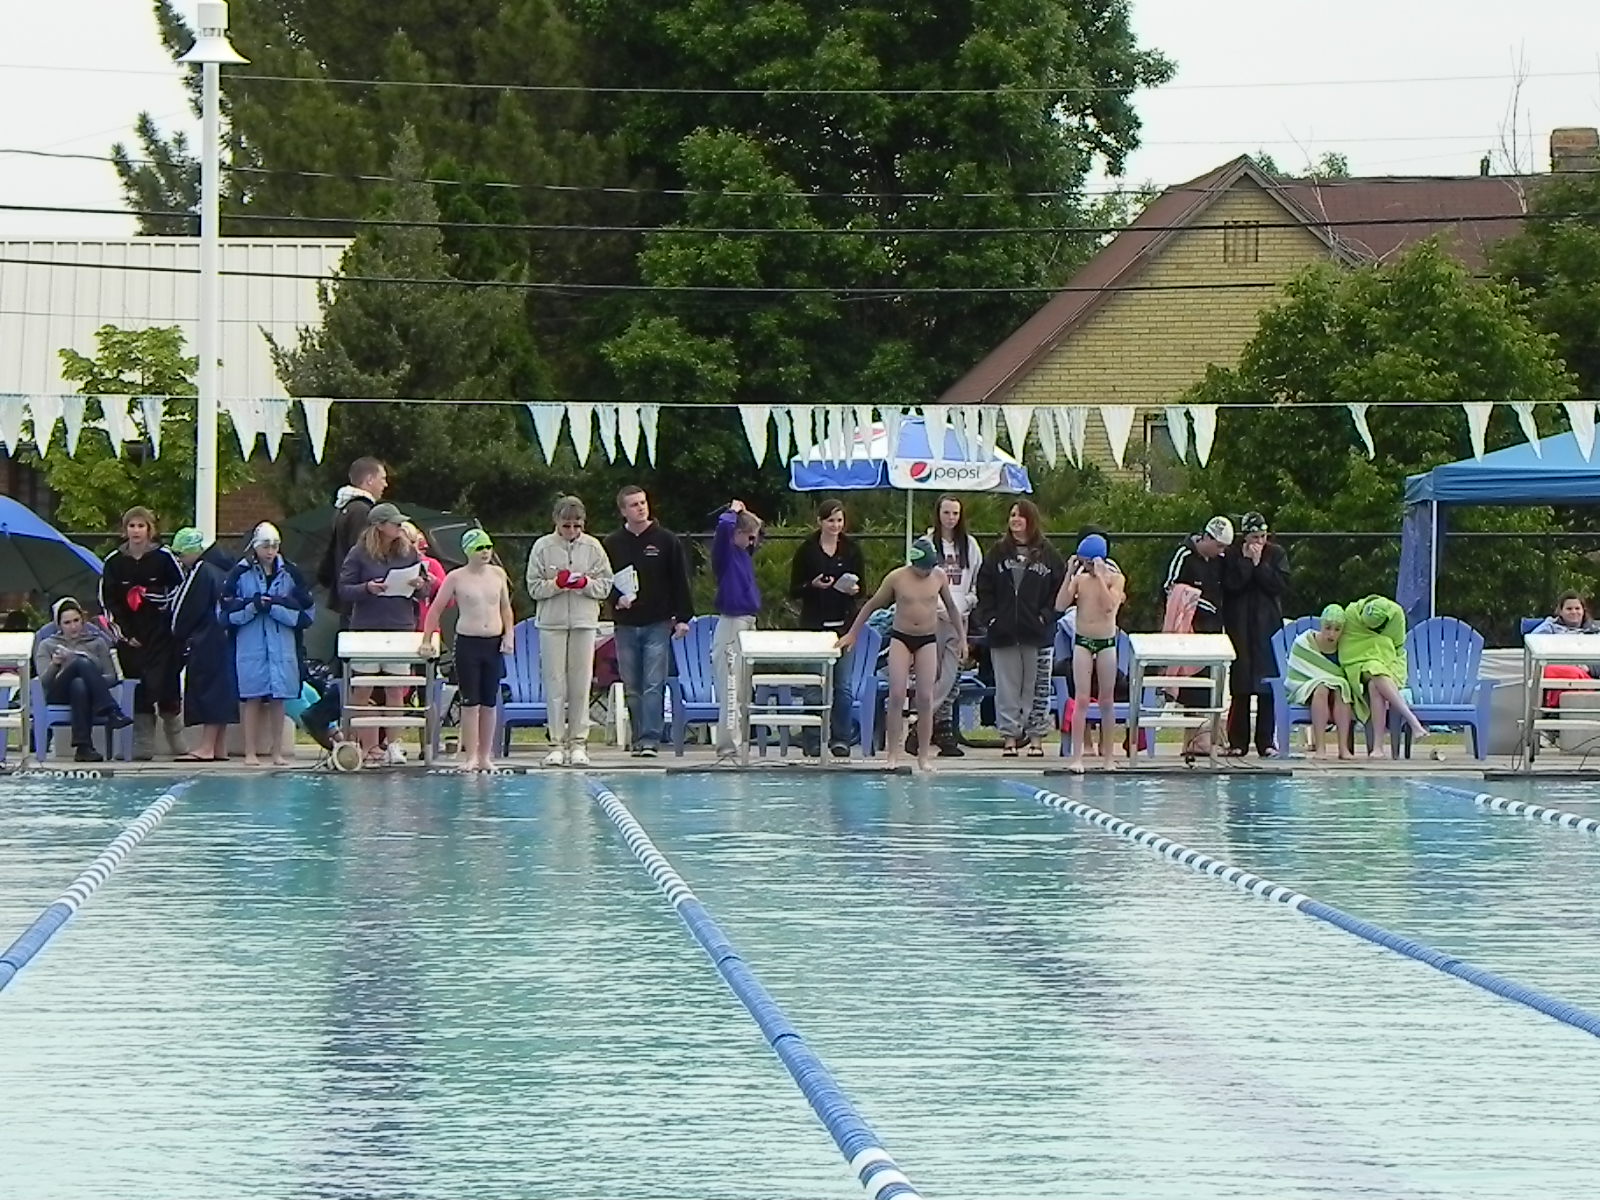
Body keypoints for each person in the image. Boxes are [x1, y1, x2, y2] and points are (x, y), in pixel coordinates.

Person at [838, 539, 964, 773]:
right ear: (913, 562)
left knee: (926, 698)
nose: (926, 572)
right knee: (897, 695)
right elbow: (871, 606)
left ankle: (924, 757)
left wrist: (963, 639)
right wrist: (853, 634)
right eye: (922, 568)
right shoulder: (896, 578)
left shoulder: (938, 577)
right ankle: (893, 754)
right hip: (901, 638)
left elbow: (953, 610)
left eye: (929, 567)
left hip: (927, 639)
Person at [338, 501, 435, 766]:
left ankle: (393, 743)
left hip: (399, 625)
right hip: (368, 626)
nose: (399, 527)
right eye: (394, 523)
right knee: (364, 687)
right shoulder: (359, 554)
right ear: (379, 526)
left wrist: (420, 585)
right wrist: (367, 588)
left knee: (396, 687)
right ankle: (363, 744)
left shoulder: (408, 552)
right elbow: (343, 589)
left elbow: (426, 589)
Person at [604, 486, 695, 758]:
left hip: (658, 621)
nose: (641, 508)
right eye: (634, 505)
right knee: (632, 685)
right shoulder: (612, 543)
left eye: (643, 502)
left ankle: (650, 739)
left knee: (654, 682)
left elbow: (680, 579)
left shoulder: (666, 540)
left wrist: (683, 617)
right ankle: (637, 735)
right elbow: (603, 579)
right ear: (623, 511)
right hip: (626, 622)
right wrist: (615, 599)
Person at [526, 496, 614, 767]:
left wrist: (585, 583)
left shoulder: (593, 547)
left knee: (580, 683)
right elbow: (533, 587)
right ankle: (555, 742)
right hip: (551, 623)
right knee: (555, 683)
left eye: (577, 526)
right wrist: (557, 584)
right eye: (567, 526)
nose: (572, 531)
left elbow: (606, 584)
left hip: (584, 621)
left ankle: (578, 742)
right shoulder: (542, 546)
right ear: (556, 522)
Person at [974, 500, 1066, 757]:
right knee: (1007, 687)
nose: (1015, 519)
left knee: (1036, 688)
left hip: (1037, 634)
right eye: (1012, 514)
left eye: (1020, 515)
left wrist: (1045, 617)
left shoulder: (1047, 553)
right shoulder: (998, 552)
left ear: (1031, 520)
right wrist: (990, 618)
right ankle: (1010, 737)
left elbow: (1059, 590)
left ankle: (1035, 737)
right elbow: (984, 587)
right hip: (1003, 632)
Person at [223, 523, 316, 767]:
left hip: (282, 645)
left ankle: (277, 752)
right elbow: (225, 614)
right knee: (251, 698)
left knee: (279, 699)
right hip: (250, 645)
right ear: (255, 547)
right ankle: (250, 752)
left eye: (275, 546)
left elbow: (306, 614)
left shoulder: (291, 573)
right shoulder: (239, 573)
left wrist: (274, 609)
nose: (270, 551)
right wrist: (253, 608)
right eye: (266, 546)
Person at [100, 506, 186, 760]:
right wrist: (125, 634)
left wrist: (154, 597)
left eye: (141, 526)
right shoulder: (114, 562)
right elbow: (108, 602)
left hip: (162, 634)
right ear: (124, 530)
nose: (136, 531)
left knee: (168, 685)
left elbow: (180, 591)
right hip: (132, 638)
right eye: (131, 526)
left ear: (150, 530)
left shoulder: (164, 558)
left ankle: (175, 736)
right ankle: (143, 742)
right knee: (139, 688)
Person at [424, 529, 514, 772]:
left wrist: (509, 636)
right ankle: (470, 756)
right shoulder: (456, 578)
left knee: (489, 701)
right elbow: (435, 609)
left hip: (493, 643)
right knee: (470, 702)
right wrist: (426, 639)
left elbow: (506, 609)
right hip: (468, 644)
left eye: (488, 546)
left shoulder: (498, 575)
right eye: (479, 548)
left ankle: (485, 756)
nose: (485, 552)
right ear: (468, 551)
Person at [789, 499, 865, 757]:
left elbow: (863, 588)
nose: (835, 526)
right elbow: (793, 589)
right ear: (820, 521)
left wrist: (853, 589)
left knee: (843, 686)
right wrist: (812, 585)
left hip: (842, 625)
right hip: (814, 625)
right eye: (831, 520)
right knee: (813, 685)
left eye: (839, 521)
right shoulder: (807, 550)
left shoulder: (852, 550)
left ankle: (840, 738)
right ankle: (811, 738)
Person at [1161, 515, 1233, 755]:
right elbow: (1170, 588)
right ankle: (1191, 741)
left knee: (1207, 686)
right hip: (1190, 632)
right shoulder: (1184, 556)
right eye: (1219, 546)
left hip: (1211, 632)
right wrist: (1199, 603)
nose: (1221, 552)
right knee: (1191, 689)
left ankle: (1197, 741)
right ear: (1207, 538)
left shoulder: (1217, 562)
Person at [1222, 512, 1291, 757]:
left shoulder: (1276, 554)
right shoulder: (1231, 554)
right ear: (1244, 536)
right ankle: (1238, 742)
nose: (1259, 542)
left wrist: (1259, 565)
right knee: (1240, 684)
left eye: (1263, 536)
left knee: (1266, 685)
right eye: (1254, 537)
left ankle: (1266, 742)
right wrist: (1245, 563)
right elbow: (1230, 586)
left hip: (1267, 626)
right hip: (1239, 625)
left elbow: (1279, 586)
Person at [1056, 533, 1126, 771]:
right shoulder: (1079, 580)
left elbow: (1109, 607)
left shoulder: (1116, 580)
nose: (1085, 567)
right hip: (1083, 642)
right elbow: (1060, 605)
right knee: (1081, 700)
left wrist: (1101, 578)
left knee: (1107, 701)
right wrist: (1069, 574)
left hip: (1106, 643)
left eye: (1088, 562)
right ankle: (1076, 757)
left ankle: (1108, 757)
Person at [169, 527, 239, 762]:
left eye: (180, 554)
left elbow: (184, 609)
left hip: (207, 639)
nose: (179, 560)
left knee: (208, 689)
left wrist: (177, 632)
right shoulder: (224, 569)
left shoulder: (202, 570)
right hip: (224, 637)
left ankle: (206, 747)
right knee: (220, 689)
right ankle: (219, 746)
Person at [32, 598, 132, 762]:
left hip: (91, 695)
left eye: (76, 621)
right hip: (58, 692)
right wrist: (55, 664)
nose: (73, 626)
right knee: (79, 662)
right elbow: (44, 682)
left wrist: (90, 670)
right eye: (67, 623)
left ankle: (84, 748)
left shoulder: (97, 642)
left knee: (80, 685)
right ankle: (111, 710)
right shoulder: (48, 645)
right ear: (59, 625)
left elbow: (111, 677)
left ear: (83, 620)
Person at [927, 495, 983, 756]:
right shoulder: (927, 543)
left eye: (955, 513)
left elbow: (976, 583)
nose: (951, 518)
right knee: (932, 675)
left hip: (960, 618)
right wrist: (939, 608)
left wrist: (968, 603)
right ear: (938, 514)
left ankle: (922, 721)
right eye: (946, 512)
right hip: (932, 617)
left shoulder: (970, 546)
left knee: (950, 676)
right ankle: (935, 726)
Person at [709, 500, 764, 764]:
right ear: (737, 534)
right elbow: (722, 528)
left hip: (746, 621)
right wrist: (734, 511)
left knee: (743, 688)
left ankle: (738, 742)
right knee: (731, 686)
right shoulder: (726, 554)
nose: (753, 542)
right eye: (749, 536)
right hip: (732, 622)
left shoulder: (743, 554)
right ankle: (728, 746)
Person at [1340, 594, 1427, 757]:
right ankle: (1412, 719)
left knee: (1375, 685)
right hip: (1357, 662)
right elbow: (1349, 645)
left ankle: (1377, 747)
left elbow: (1397, 648)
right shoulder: (1351, 613)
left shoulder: (1396, 615)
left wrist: (1382, 658)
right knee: (1374, 668)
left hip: (1389, 663)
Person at [318, 457, 388, 619]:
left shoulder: (345, 508)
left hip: (347, 594)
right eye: (382, 479)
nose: (385, 485)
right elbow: (364, 553)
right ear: (369, 480)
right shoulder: (362, 511)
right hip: (359, 599)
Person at [1286, 604, 1355, 760]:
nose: (1331, 633)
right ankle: (1320, 748)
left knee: (1341, 688)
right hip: (1306, 686)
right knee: (1321, 687)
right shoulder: (1304, 642)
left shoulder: (1345, 647)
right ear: (1321, 625)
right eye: (1328, 627)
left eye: (1337, 629)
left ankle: (1343, 749)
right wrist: (1323, 679)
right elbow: (1296, 672)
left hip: (1337, 689)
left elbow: (1349, 672)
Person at [1528, 591, 1600, 716]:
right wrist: (1548, 623)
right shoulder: (1550, 627)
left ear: (1584, 610)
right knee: (1551, 671)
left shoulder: (1595, 632)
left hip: (1587, 677)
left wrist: (1588, 668)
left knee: (1572, 674)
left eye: (1577, 608)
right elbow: (1534, 644)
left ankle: (1555, 712)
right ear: (1560, 611)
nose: (1574, 612)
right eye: (1569, 609)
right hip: (1559, 671)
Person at [405, 521, 450, 631]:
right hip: (398, 628)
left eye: (412, 542)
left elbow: (450, 602)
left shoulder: (431, 564)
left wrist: (435, 583)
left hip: (427, 630)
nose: (408, 546)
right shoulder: (384, 564)